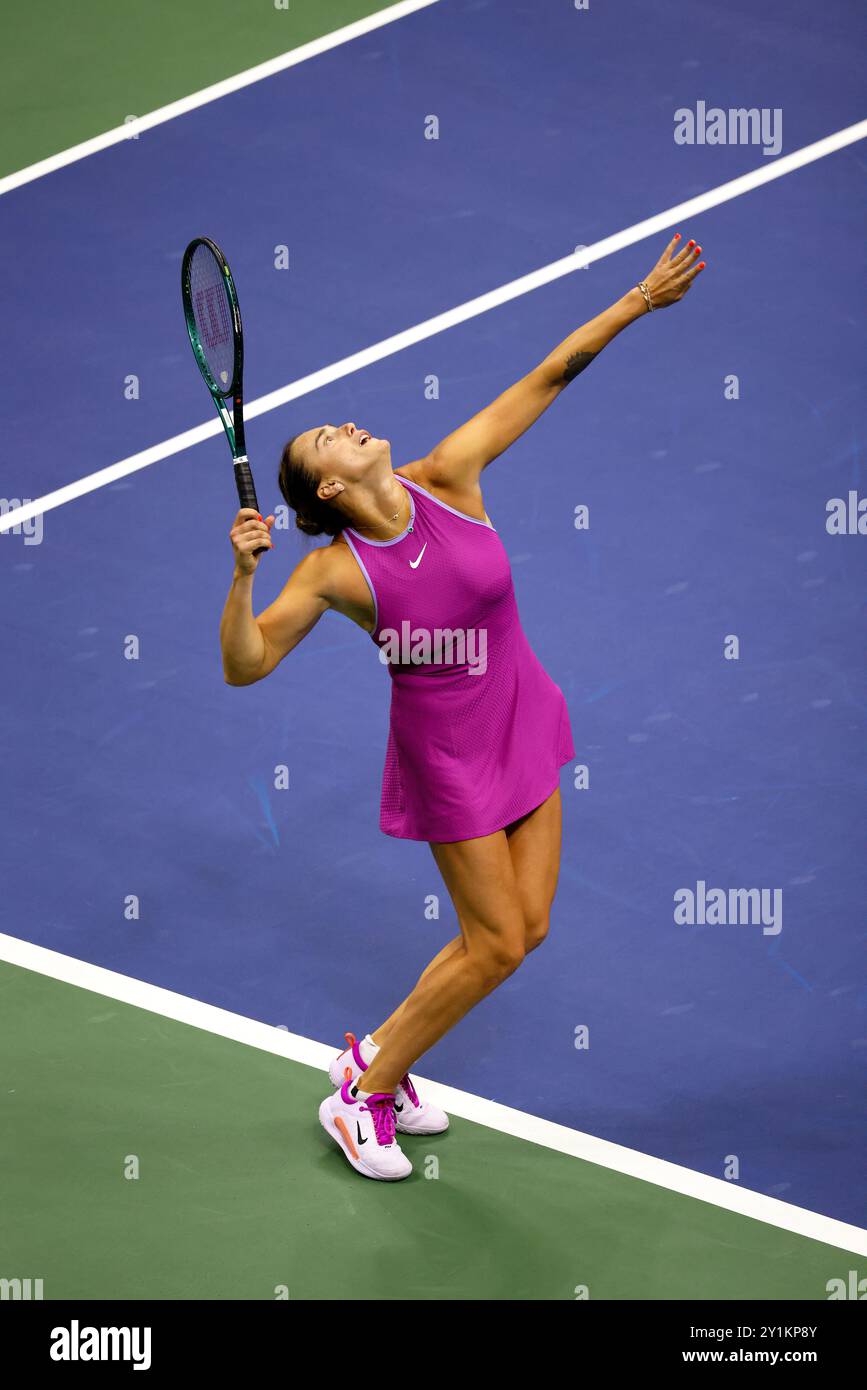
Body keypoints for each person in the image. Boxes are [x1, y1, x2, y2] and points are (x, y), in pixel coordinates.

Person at [220, 234, 706, 1179]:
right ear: (328, 487)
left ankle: (377, 1059)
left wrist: (639, 299)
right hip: (448, 757)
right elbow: (247, 666)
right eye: (332, 437)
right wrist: (241, 581)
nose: (351, 426)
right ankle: (358, 1099)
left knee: (524, 932)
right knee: (492, 945)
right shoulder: (331, 573)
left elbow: (549, 375)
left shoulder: (448, 477)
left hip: (522, 713)